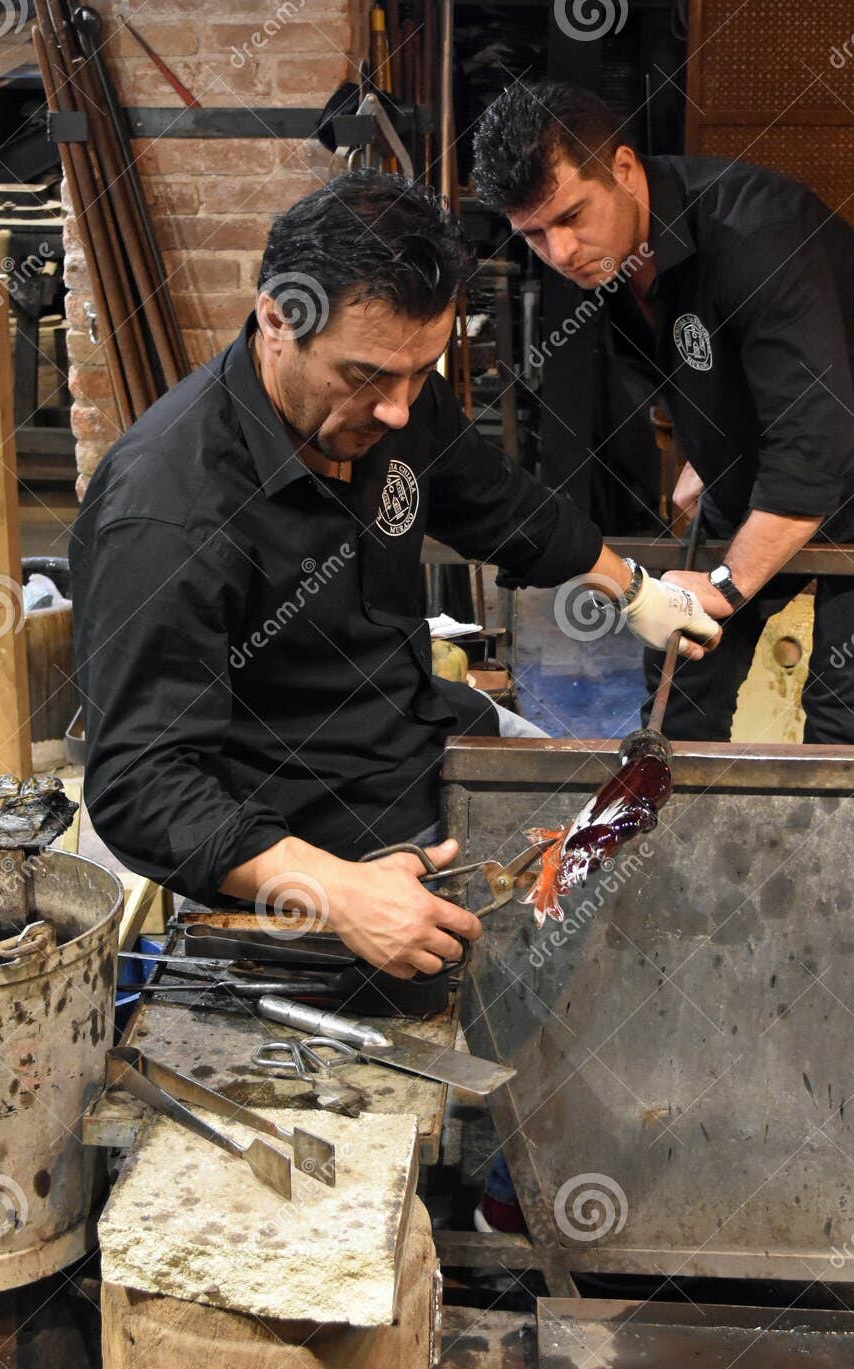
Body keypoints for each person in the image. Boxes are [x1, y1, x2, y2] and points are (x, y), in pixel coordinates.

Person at [70, 171, 719, 980]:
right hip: (313, 829)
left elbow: (493, 499)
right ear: (277, 319)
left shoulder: (395, 398)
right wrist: (339, 893)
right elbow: (141, 783)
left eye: (422, 371)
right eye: (367, 375)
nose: (400, 410)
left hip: (424, 734)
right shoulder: (169, 513)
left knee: (636, 860)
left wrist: (632, 589)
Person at [471, 82, 854, 744]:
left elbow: (818, 441)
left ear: (623, 170)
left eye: (569, 217)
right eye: (533, 235)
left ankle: (830, 847)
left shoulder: (756, 231)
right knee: (679, 677)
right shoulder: (611, 264)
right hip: (765, 465)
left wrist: (730, 585)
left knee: (843, 711)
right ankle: (678, 846)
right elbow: (700, 370)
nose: (560, 253)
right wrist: (703, 456)